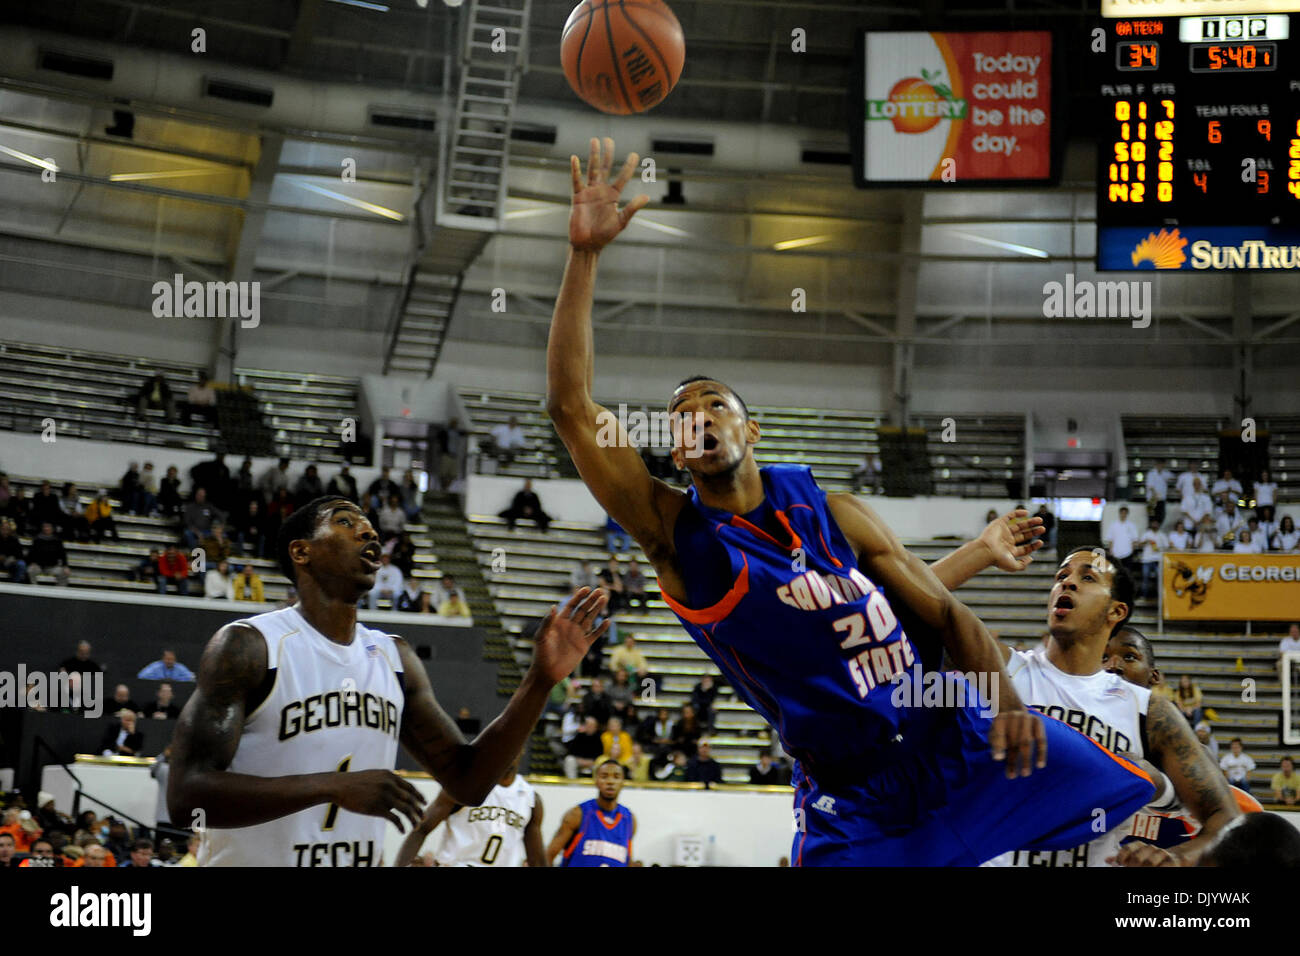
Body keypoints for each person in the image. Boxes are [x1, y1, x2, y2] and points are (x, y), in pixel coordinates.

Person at [546, 138, 1154, 865]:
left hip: (960, 737)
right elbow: (572, 409)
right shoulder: (677, 537)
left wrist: (1013, 708)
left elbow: (945, 613)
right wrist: (584, 257)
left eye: (714, 403)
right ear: (676, 452)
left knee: (1157, 792)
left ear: (751, 427)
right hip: (854, 796)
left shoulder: (832, 510)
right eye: (681, 416)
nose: (698, 416)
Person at [166, 494, 608, 865]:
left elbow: (469, 783)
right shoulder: (249, 645)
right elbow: (188, 798)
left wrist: (539, 680)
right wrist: (330, 787)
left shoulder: (394, 657)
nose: (370, 532)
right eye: (346, 522)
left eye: (371, 526)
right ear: (301, 552)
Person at [982, 554, 1240, 869]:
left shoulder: (1147, 709)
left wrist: (1175, 857)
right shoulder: (998, 666)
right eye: (1062, 575)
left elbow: (1227, 819)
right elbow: (921, 614)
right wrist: (981, 551)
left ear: (1116, 611)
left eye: (1087, 577)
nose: (1068, 581)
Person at [1101, 625, 1260, 864]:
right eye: (1102, 657)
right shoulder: (1075, 732)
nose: (1113, 665)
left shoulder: (1186, 755)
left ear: (1154, 676)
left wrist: (1175, 858)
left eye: (1130, 656)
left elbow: (1227, 829)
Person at [394, 756, 545, 867]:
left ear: (522, 750)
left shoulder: (531, 799)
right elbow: (421, 829)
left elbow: (537, 860)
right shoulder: (466, 786)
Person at [546, 759, 635, 867]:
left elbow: (628, 862)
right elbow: (547, 856)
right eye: (604, 776)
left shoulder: (629, 820)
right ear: (596, 781)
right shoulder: (577, 814)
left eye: (616, 777)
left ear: (623, 782)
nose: (610, 781)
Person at [1135, 517, 1166, 599]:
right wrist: (1146, 541)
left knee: (1159, 579)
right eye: (1153, 523)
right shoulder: (1147, 534)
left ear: (1159, 525)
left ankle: (1159, 596)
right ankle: (1144, 595)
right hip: (1147, 559)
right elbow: (1139, 544)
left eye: (1156, 523)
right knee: (1145, 578)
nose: (1155, 525)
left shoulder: (1162, 535)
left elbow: (1167, 546)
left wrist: (1159, 548)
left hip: (1157, 560)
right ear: (1151, 524)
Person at [1144, 459, 1174, 527]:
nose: (1160, 465)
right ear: (1156, 464)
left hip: (1161, 500)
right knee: (1151, 517)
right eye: (1159, 464)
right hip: (1151, 500)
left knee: (1161, 517)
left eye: (1162, 464)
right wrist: (1155, 495)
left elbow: (1173, 478)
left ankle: (1157, 532)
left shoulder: (1166, 473)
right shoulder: (1151, 473)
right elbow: (1150, 486)